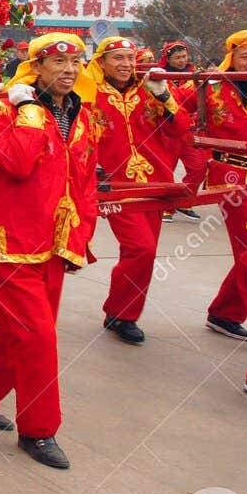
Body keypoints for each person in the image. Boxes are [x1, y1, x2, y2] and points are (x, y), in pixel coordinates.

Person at [0, 34, 100, 470]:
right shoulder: (3, 109)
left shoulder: (82, 116)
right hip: (7, 242)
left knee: (23, 335)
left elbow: (86, 181)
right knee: (38, 337)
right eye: (57, 63)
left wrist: (79, 237)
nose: (69, 71)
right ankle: (39, 429)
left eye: (75, 64)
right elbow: (15, 163)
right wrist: (29, 111)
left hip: (54, 242)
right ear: (36, 67)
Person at [86, 36, 190, 344]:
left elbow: (179, 128)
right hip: (116, 184)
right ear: (101, 62)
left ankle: (119, 311)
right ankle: (124, 314)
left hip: (155, 183)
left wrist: (164, 97)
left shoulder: (151, 89)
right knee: (140, 249)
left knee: (144, 252)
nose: (125, 65)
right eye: (117, 58)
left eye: (129, 59)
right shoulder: (89, 94)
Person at [194, 30, 247, 340]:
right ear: (232, 59)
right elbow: (173, 113)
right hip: (233, 177)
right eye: (245, 56)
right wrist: (159, 89)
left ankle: (224, 313)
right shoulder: (212, 86)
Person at [159, 41, 206, 221]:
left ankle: (183, 201)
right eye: (177, 57)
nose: (181, 60)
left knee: (199, 167)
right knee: (165, 169)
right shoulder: (158, 76)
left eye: (184, 56)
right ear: (168, 58)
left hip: (189, 130)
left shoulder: (195, 75)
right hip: (166, 130)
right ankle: (164, 207)